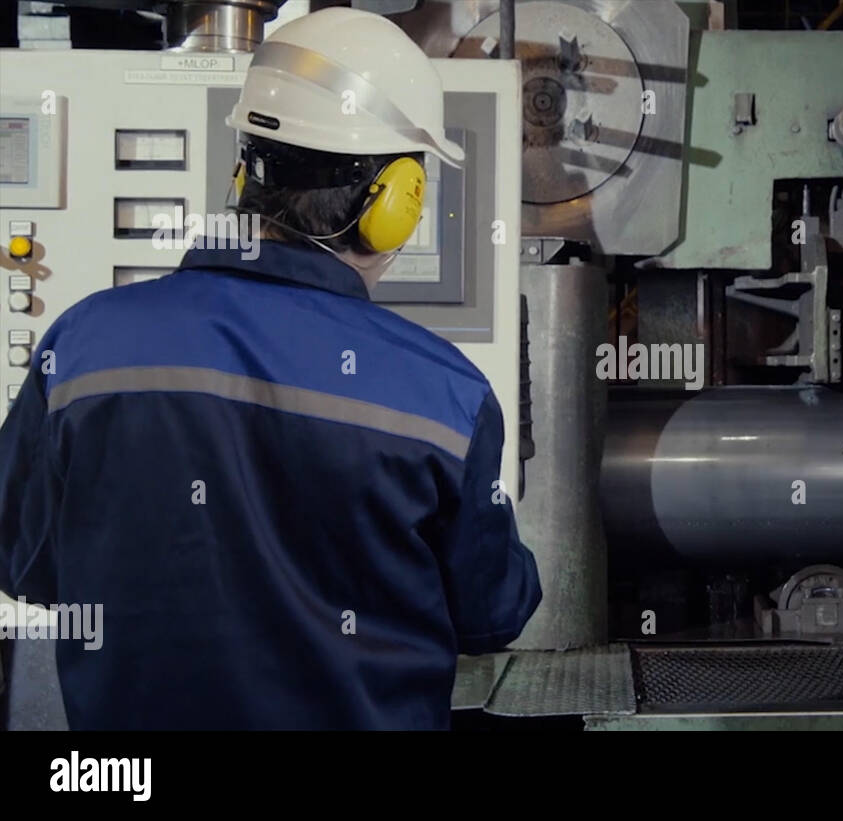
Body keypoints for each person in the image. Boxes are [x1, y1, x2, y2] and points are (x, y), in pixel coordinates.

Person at [0, 7, 541, 729]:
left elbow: (21, 562)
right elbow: (493, 613)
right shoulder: (443, 396)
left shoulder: (84, 347)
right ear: (394, 205)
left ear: (242, 171)